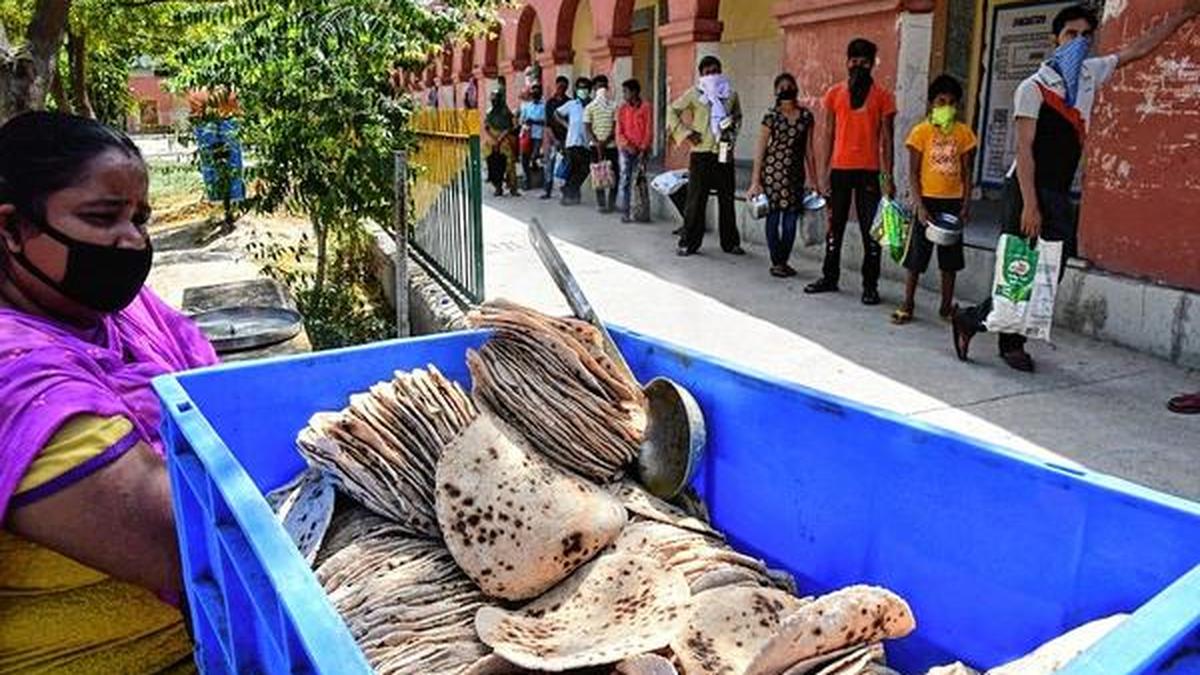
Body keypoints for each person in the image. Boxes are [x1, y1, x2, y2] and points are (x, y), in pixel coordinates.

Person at [0, 111, 219, 672]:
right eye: (103, 218)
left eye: (140, 219)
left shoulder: (124, 314)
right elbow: (190, 542)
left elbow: (225, 399)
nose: (132, 242)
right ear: (10, 229)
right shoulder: (16, 376)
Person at [953, 1, 1200, 372]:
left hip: (1057, 191)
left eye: (1086, 36)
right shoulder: (1033, 87)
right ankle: (998, 337)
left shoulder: (1089, 73)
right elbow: (1025, 149)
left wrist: (1183, 15)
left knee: (1051, 270)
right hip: (1026, 189)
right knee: (1021, 268)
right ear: (1055, 39)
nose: (1078, 42)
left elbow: (1137, 49)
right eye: (1071, 34)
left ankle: (978, 320)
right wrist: (1030, 206)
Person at [805, 38, 897, 305]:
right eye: (854, 60)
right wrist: (823, 175)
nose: (858, 65)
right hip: (839, 172)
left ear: (872, 64)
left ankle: (871, 286)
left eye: (864, 61)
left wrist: (887, 179)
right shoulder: (834, 94)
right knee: (835, 228)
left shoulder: (884, 97)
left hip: (870, 173)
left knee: (872, 232)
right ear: (847, 63)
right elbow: (828, 134)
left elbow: (887, 142)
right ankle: (829, 277)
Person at [892, 74, 977, 325]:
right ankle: (908, 303)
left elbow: (967, 171)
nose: (946, 107)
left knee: (949, 261)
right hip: (927, 202)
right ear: (931, 104)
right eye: (941, 101)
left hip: (952, 203)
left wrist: (966, 203)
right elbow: (913, 172)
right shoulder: (920, 132)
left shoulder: (964, 134)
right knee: (916, 258)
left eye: (951, 103)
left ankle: (946, 306)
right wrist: (919, 205)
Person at [667, 56, 745, 257]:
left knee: (726, 199)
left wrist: (731, 134)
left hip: (723, 151)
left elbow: (738, 117)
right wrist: (686, 133)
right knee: (696, 200)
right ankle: (689, 242)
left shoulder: (730, 94)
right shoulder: (695, 94)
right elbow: (672, 110)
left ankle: (730, 243)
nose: (712, 75)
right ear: (701, 74)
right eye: (708, 71)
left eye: (716, 70)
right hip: (701, 153)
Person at [748, 73, 817, 278]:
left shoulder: (806, 117)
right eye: (782, 87)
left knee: (790, 221)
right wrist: (755, 181)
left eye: (790, 86)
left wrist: (814, 179)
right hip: (772, 174)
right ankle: (777, 261)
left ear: (796, 88)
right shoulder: (771, 117)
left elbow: (809, 151)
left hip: (795, 175)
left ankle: (782, 260)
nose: (786, 89)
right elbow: (760, 149)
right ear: (776, 92)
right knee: (773, 218)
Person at [615, 78, 653, 223]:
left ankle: (641, 210)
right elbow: (619, 131)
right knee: (625, 178)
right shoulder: (622, 109)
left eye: (626, 91)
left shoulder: (646, 107)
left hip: (642, 148)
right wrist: (627, 145)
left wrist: (643, 148)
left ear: (635, 92)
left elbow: (648, 129)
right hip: (626, 149)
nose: (624, 95)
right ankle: (625, 211)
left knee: (640, 179)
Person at [584, 75, 620, 214]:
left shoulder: (614, 106)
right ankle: (601, 203)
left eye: (604, 86)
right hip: (595, 146)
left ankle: (611, 203)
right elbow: (587, 127)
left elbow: (616, 125)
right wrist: (597, 142)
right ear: (594, 89)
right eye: (599, 86)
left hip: (611, 145)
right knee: (598, 174)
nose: (602, 89)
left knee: (614, 174)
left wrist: (606, 141)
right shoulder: (589, 107)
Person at [555, 77, 593, 206]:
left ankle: (569, 190)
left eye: (586, 88)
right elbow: (557, 113)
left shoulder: (592, 105)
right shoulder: (571, 105)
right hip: (572, 141)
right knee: (573, 168)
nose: (583, 90)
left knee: (584, 169)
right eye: (580, 88)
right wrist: (566, 124)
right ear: (576, 89)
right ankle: (570, 194)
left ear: (590, 90)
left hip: (587, 143)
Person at [484, 88, 521, 197]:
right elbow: (486, 127)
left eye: (496, 99)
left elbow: (510, 126)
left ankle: (513, 188)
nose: (494, 101)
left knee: (509, 164)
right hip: (492, 141)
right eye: (492, 99)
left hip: (505, 140)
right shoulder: (489, 112)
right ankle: (498, 187)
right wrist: (495, 138)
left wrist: (500, 138)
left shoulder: (506, 112)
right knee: (494, 165)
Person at [542, 76, 571, 200]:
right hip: (552, 136)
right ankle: (547, 189)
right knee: (550, 163)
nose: (562, 89)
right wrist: (554, 140)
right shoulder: (550, 103)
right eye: (560, 87)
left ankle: (565, 190)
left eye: (564, 87)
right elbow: (548, 123)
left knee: (566, 163)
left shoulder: (569, 102)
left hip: (566, 137)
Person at [519, 84, 547, 192]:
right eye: (533, 92)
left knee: (534, 156)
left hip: (538, 135)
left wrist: (534, 121)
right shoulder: (527, 106)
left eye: (537, 92)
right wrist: (525, 121)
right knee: (524, 158)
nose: (535, 94)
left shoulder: (543, 106)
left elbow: (545, 121)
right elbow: (521, 120)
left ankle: (537, 170)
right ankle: (527, 181)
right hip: (527, 134)